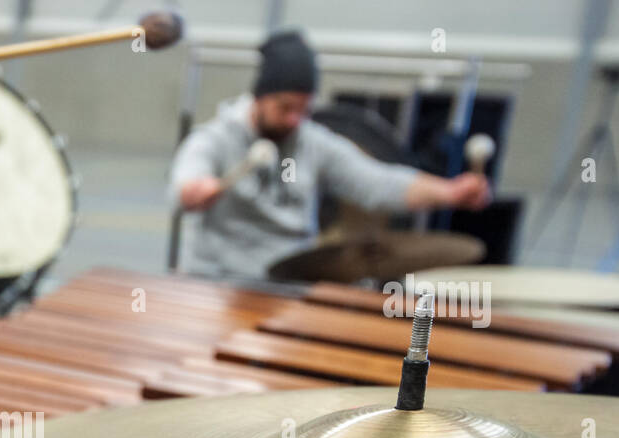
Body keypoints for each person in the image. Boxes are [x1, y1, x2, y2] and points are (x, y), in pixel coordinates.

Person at [169, 29, 491, 279]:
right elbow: (185, 183)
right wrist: (193, 192)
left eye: (303, 110)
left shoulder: (314, 143)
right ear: (260, 97)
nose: (294, 119)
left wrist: (451, 192)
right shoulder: (215, 139)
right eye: (285, 108)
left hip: (288, 280)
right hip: (217, 282)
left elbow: (377, 183)